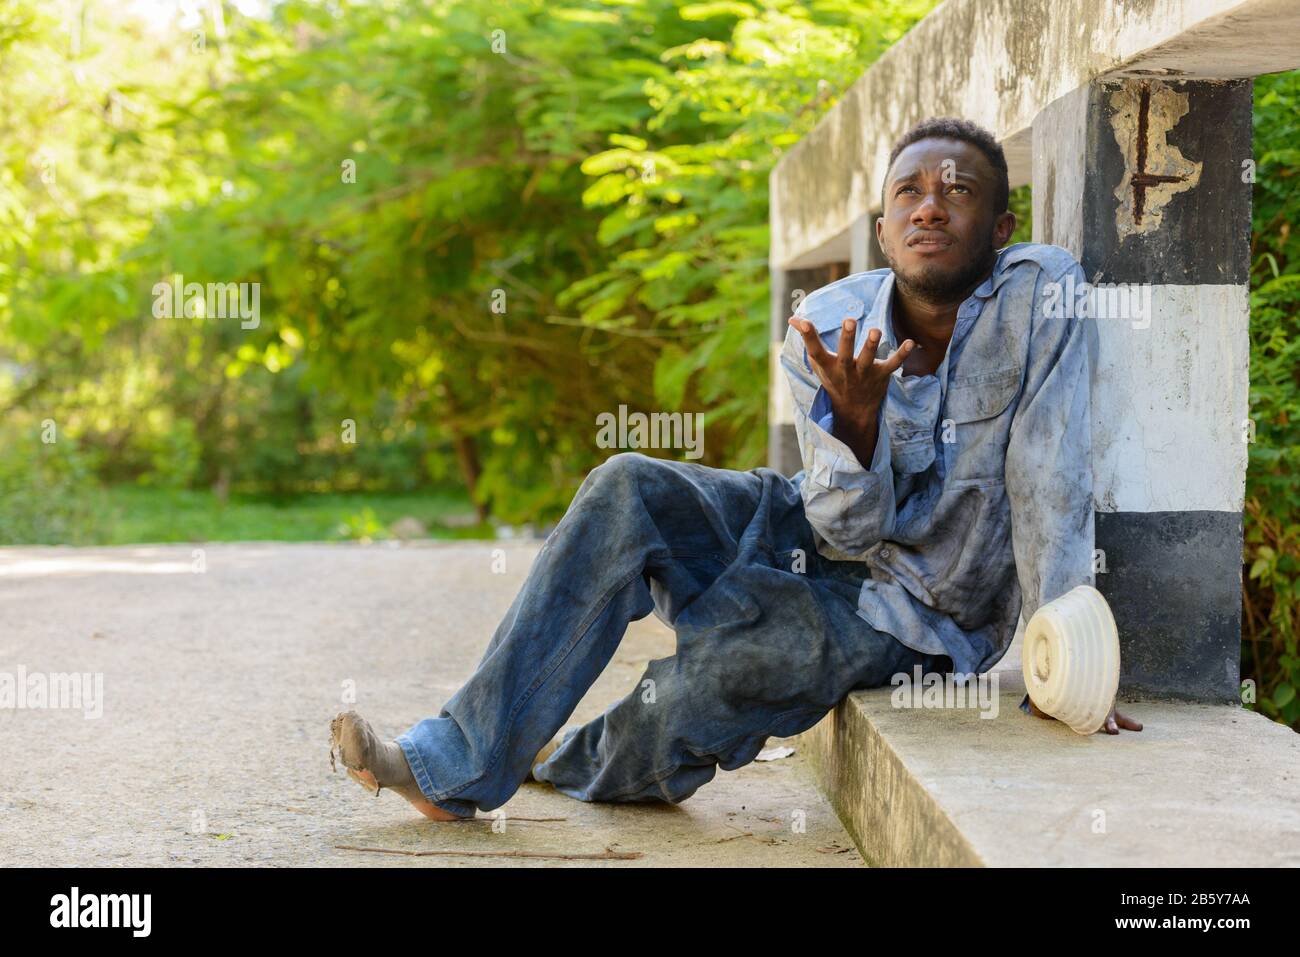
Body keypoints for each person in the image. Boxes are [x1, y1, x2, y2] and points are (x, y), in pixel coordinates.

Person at [330, 116, 1141, 823]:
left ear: (1001, 228)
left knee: (719, 674)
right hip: (816, 522)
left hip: (920, 610)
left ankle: (563, 758)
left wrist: (1061, 659)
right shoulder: (824, 325)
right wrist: (855, 428)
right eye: (908, 193)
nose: (930, 203)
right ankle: (452, 765)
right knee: (627, 486)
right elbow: (838, 524)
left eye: (957, 191)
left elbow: (1050, 476)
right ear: (885, 229)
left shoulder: (1042, 298)